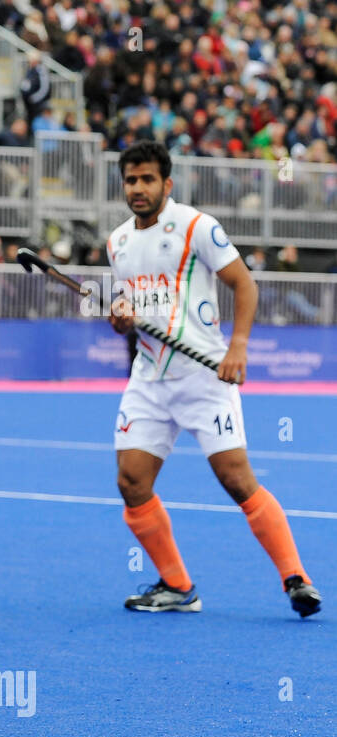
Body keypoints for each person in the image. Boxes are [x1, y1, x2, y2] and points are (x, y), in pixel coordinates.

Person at [105, 141, 320, 618]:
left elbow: (244, 283)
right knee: (131, 481)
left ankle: (296, 579)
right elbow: (129, 309)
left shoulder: (196, 226)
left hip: (205, 375)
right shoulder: (116, 242)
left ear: (167, 183)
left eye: (147, 179)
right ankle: (178, 587)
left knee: (236, 480)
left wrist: (238, 347)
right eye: (130, 180)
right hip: (149, 377)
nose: (137, 188)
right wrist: (121, 317)